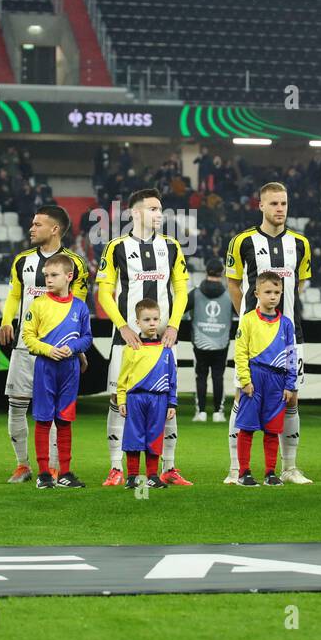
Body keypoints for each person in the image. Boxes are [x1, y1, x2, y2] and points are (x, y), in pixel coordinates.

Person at [97, 188, 190, 486]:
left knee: (165, 401)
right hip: (127, 339)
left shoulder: (173, 247)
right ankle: (116, 468)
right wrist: (123, 326)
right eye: (152, 209)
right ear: (135, 213)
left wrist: (174, 325)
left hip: (163, 341)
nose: (159, 214)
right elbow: (104, 293)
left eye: (160, 209)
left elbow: (182, 290)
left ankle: (168, 467)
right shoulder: (116, 247)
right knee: (118, 399)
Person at [224, 182, 313, 484]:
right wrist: (246, 319)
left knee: (291, 398)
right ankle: (237, 468)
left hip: (291, 333)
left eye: (284, 204)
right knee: (242, 395)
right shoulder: (243, 241)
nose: (280, 209)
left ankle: (289, 468)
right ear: (260, 205)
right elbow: (234, 284)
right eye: (274, 204)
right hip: (254, 334)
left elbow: (299, 285)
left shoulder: (300, 243)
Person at [0, 205, 90, 482]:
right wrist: (5, 321)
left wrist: (77, 347)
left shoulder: (75, 264)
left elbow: (79, 304)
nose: (31, 228)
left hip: (61, 349)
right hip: (27, 344)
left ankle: (51, 468)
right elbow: (15, 294)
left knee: (51, 410)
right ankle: (23, 465)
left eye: (37, 224)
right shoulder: (22, 260)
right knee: (17, 403)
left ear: (54, 229)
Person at [21, 253, 93, 489]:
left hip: (70, 369)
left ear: (69, 276)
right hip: (46, 367)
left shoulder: (80, 307)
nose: (48, 280)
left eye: (53, 275)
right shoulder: (38, 304)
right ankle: (43, 474)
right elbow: (28, 337)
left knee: (65, 420)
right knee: (43, 420)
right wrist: (48, 350)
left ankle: (65, 473)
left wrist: (72, 348)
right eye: (45, 276)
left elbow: (87, 338)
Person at [231, 272, 298, 487]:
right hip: (255, 378)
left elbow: (291, 355)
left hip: (277, 382)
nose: (273, 296)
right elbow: (240, 352)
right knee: (248, 428)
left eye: (277, 292)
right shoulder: (248, 320)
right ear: (257, 293)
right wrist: (244, 380)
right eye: (268, 292)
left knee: (272, 430)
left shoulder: (286, 324)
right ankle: (244, 472)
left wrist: (290, 384)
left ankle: (270, 473)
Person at [118, 299, 179, 490]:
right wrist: (122, 399)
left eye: (155, 319)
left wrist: (172, 403)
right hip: (135, 398)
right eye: (147, 320)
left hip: (159, 399)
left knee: (154, 436)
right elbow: (123, 376)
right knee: (133, 436)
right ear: (138, 323)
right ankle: (133, 476)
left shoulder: (166, 349)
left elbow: (172, 378)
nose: (152, 323)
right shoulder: (131, 348)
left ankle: (152, 476)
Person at [190, 257, 233, 424]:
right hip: (221, 342)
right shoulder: (229, 295)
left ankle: (200, 412)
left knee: (200, 376)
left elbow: (180, 309)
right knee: (218, 377)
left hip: (200, 342)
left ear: (206, 271)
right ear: (222, 273)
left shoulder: (195, 292)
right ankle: (218, 413)